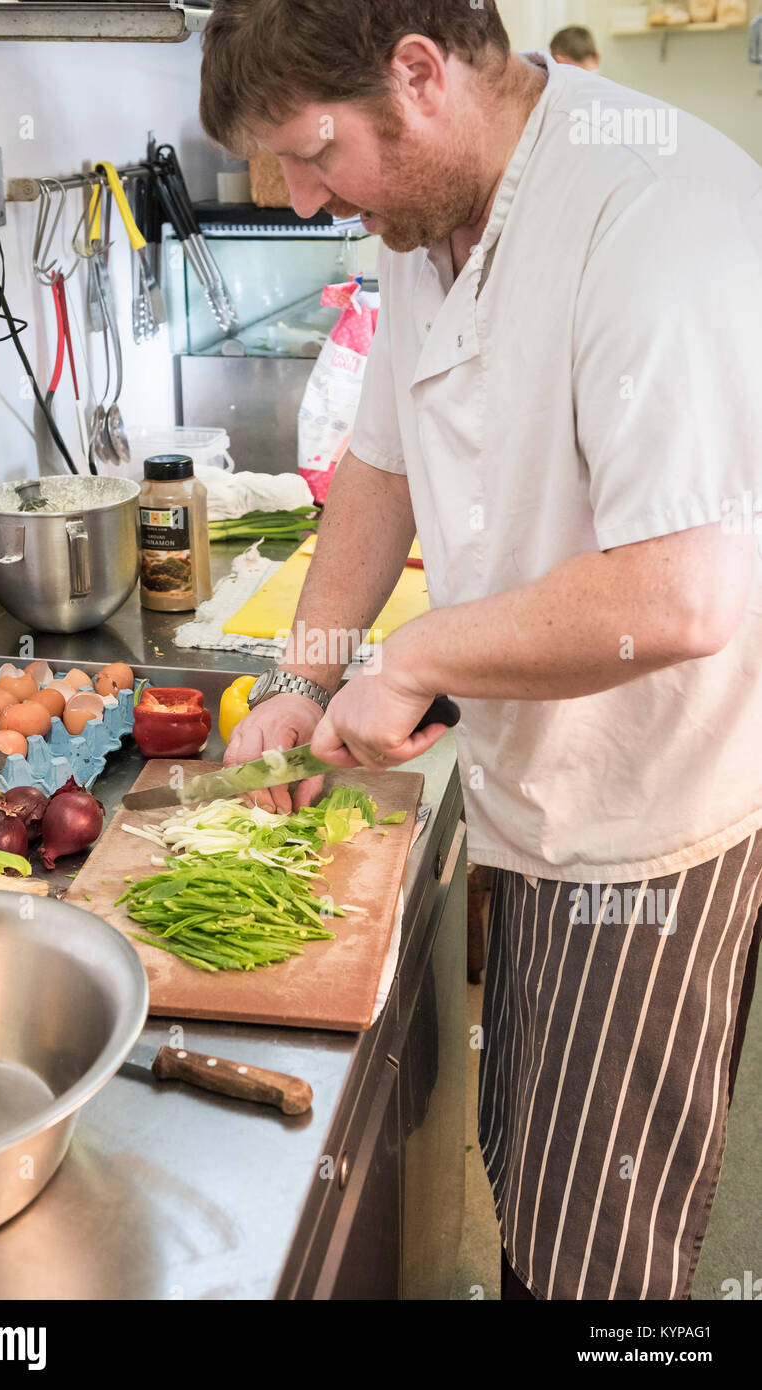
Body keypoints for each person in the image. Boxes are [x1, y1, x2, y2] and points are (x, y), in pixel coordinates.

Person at [199, 0, 762, 1301]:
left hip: (647, 822)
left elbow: (686, 589)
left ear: (419, 75)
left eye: (309, 149)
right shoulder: (424, 219)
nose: (295, 198)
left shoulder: (651, 214)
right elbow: (382, 466)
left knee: (599, 1259)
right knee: (536, 1180)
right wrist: (306, 673)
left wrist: (415, 659)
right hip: (535, 788)